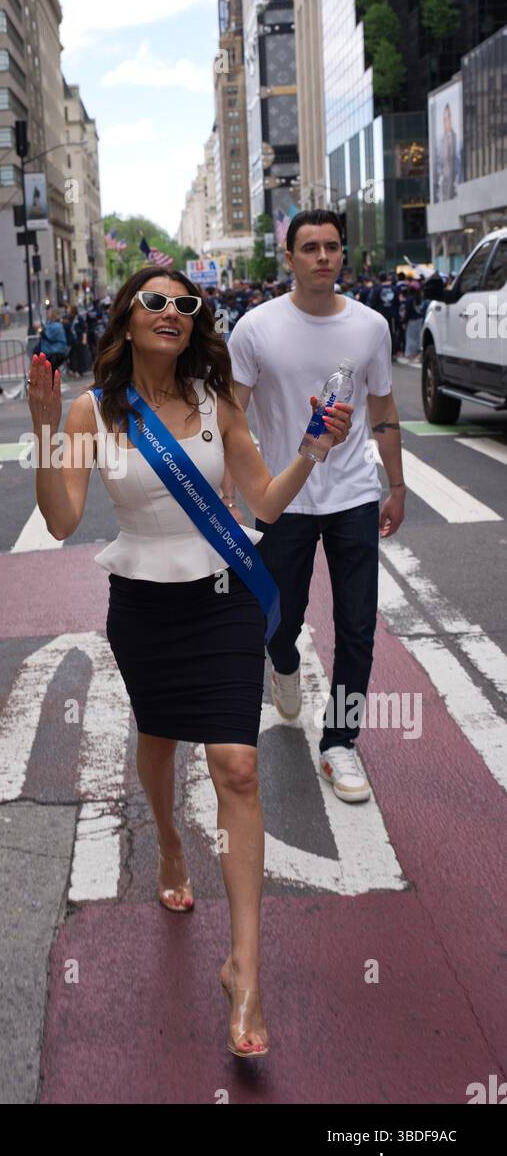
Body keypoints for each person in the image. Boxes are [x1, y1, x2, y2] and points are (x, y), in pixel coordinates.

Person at [28, 268, 351, 1059]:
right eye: (155, 302)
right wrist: (43, 431)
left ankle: (245, 972)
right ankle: (169, 843)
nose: (173, 312)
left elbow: (263, 503)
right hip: (142, 607)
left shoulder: (217, 402)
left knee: (236, 767)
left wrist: (310, 449)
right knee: (160, 740)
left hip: (223, 598)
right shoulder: (91, 412)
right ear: (126, 321)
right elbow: (62, 520)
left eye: (185, 304)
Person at [222, 209, 407, 805]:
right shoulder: (255, 328)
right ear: (290, 257)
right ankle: (284, 664)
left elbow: (382, 410)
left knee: (358, 626)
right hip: (282, 497)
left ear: (342, 255)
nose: (323, 256)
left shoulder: (371, 326)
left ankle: (340, 743)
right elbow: (230, 415)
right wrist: (227, 488)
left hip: (353, 493)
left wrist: (396, 485)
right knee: (281, 619)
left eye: (332, 246)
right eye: (310, 247)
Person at [36, 308, 68, 378]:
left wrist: (41, 331)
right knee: (50, 372)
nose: (47, 313)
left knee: (51, 372)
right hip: (53, 351)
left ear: (53, 314)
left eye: (49, 312)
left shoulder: (56, 326)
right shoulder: (52, 324)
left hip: (55, 352)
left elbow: (49, 337)